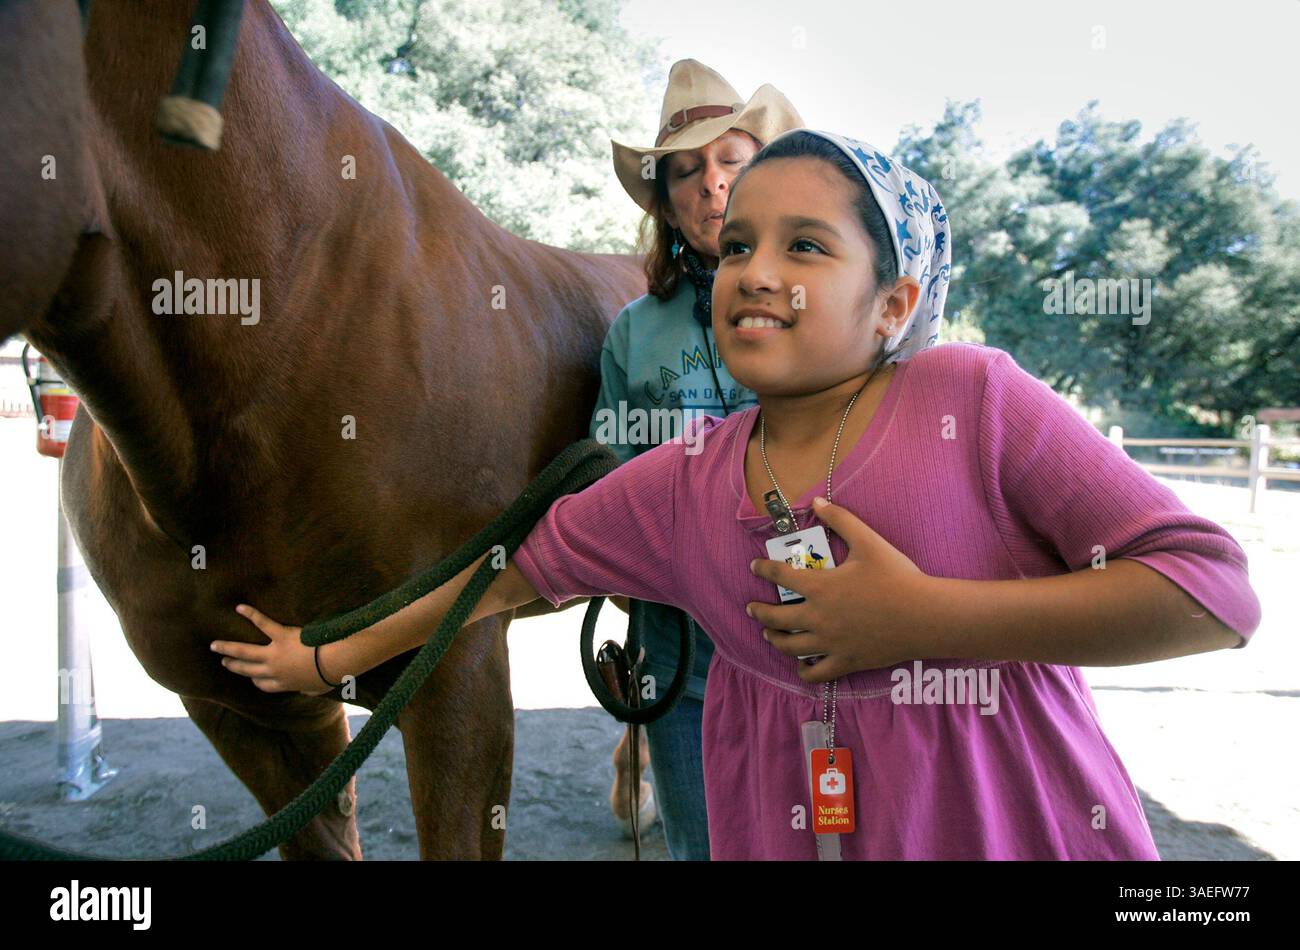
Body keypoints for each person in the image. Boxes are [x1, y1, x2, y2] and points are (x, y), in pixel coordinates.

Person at [212, 128, 1261, 860]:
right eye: (740, 244)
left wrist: (924, 619)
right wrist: (325, 658)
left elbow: (1213, 593)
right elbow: (503, 575)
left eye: (805, 245)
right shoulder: (681, 483)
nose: (754, 269)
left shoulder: (971, 401)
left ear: (893, 303)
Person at [593, 59, 804, 858]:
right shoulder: (632, 332)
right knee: (702, 842)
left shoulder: (823, 299)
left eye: (730, 160)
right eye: (686, 171)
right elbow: (613, 475)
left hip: (816, 616)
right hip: (678, 636)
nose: (711, 183)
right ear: (667, 202)